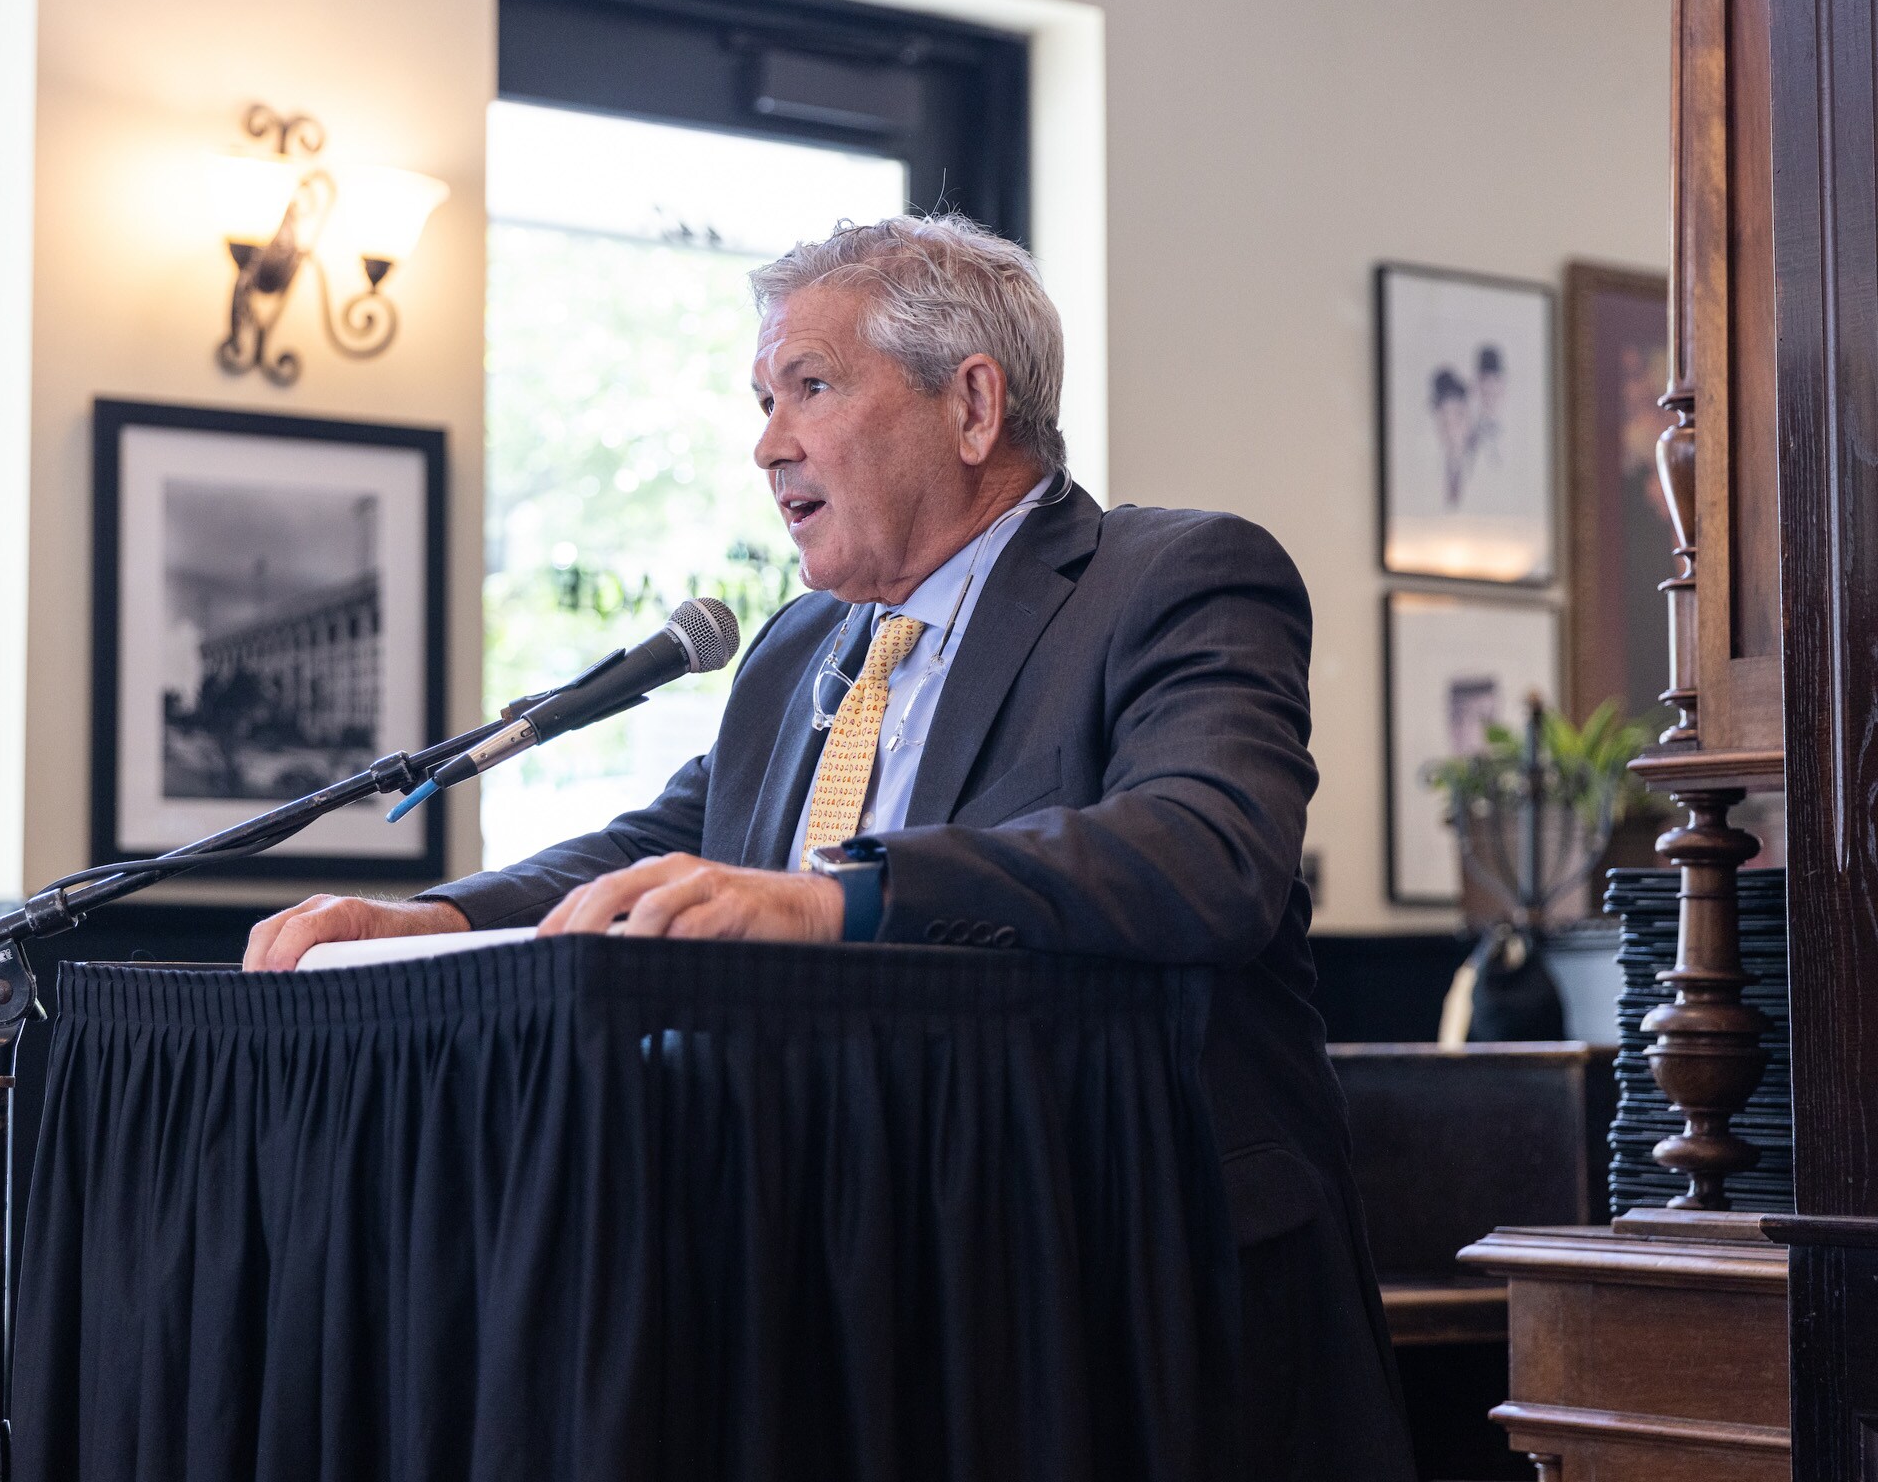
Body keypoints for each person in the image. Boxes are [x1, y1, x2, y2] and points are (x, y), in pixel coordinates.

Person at [244, 214, 1415, 1476]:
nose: (767, 443)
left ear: (973, 404)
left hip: (1120, 1265)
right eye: (761, 398)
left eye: (810, 386)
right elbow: (678, 833)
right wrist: (444, 919)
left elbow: (1206, 853)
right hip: (834, 1261)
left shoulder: (1175, 577)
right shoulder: (803, 643)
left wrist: (835, 902)